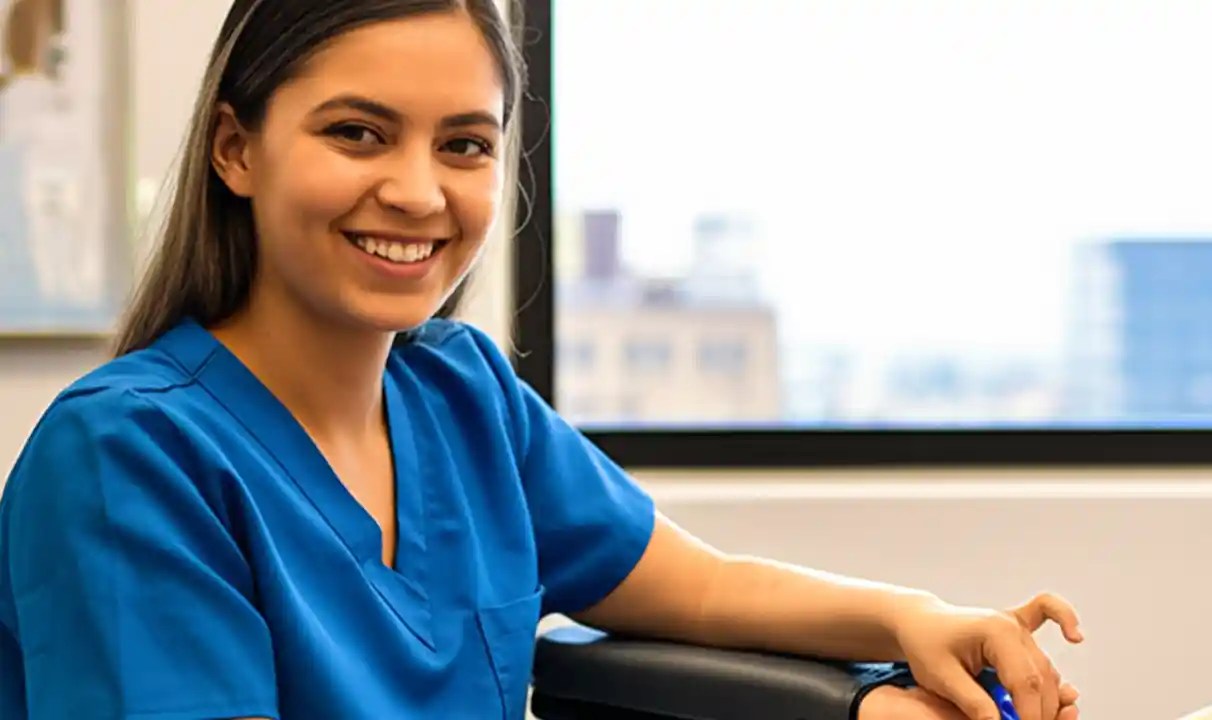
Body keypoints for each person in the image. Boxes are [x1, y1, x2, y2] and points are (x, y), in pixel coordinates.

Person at [0, 1, 1085, 718]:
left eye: (463, 144)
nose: (420, 192)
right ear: (236, 149)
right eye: (358, 134)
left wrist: (908, 626)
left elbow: (693, 589)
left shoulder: (460, 392)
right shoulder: (127, 457)